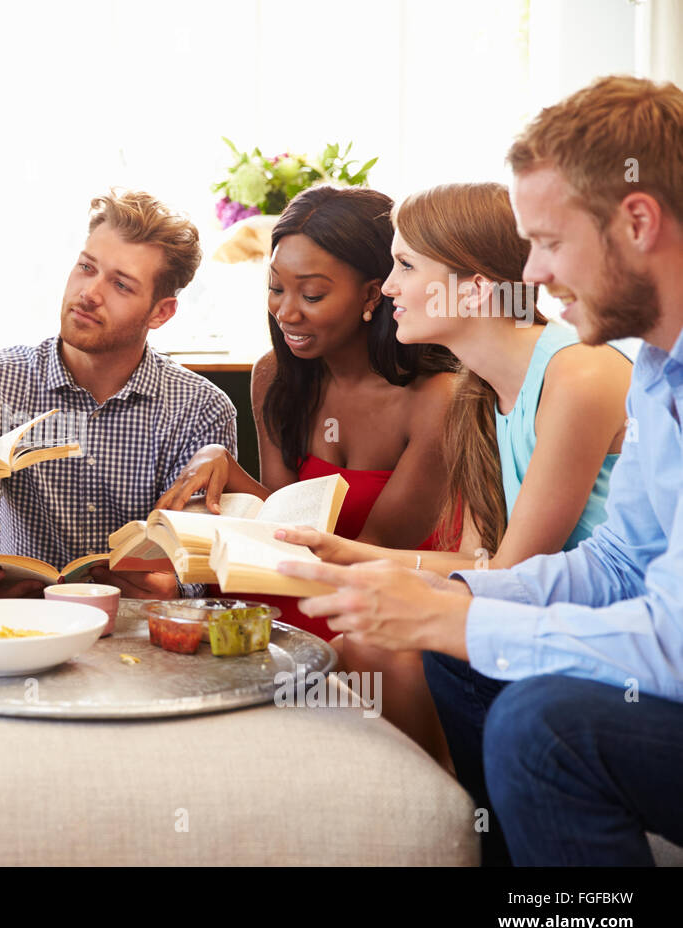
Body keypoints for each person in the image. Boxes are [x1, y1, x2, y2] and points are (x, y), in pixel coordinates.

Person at [282, 75, 683, 866]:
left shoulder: (586, 370)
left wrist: (455, 615)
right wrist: (450, 597)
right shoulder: (654, 374)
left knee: (541, 727)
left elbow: (671, 639)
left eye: (551, 242)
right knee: (455, 655)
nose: (528, 276)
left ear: (637, 220)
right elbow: (612, 563)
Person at [155, 185, 460, 763]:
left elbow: (370, 550)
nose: (286, 312)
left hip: (367, 600)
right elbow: (287, 509)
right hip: (291, 581)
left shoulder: (436, 398)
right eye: (275, 288)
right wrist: (225, 465)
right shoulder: (277, 375)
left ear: (375, 293)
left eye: (312, 294)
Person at [277, 182, 630, 572]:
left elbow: (515, 573)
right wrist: (336, 551)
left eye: (407, 266)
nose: (389, 287)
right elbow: (475, 562)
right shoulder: (476, 390)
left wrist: (351, 559)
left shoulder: (579, 376)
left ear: (474, 290)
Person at [0, 189, 238, 604]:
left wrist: (175, 587)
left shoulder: (202, 409)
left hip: (141, 639)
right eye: (86, 267)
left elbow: (197, 550)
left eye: (121, 285)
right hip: (21, 625)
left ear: (161, 313)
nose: (89, 292)